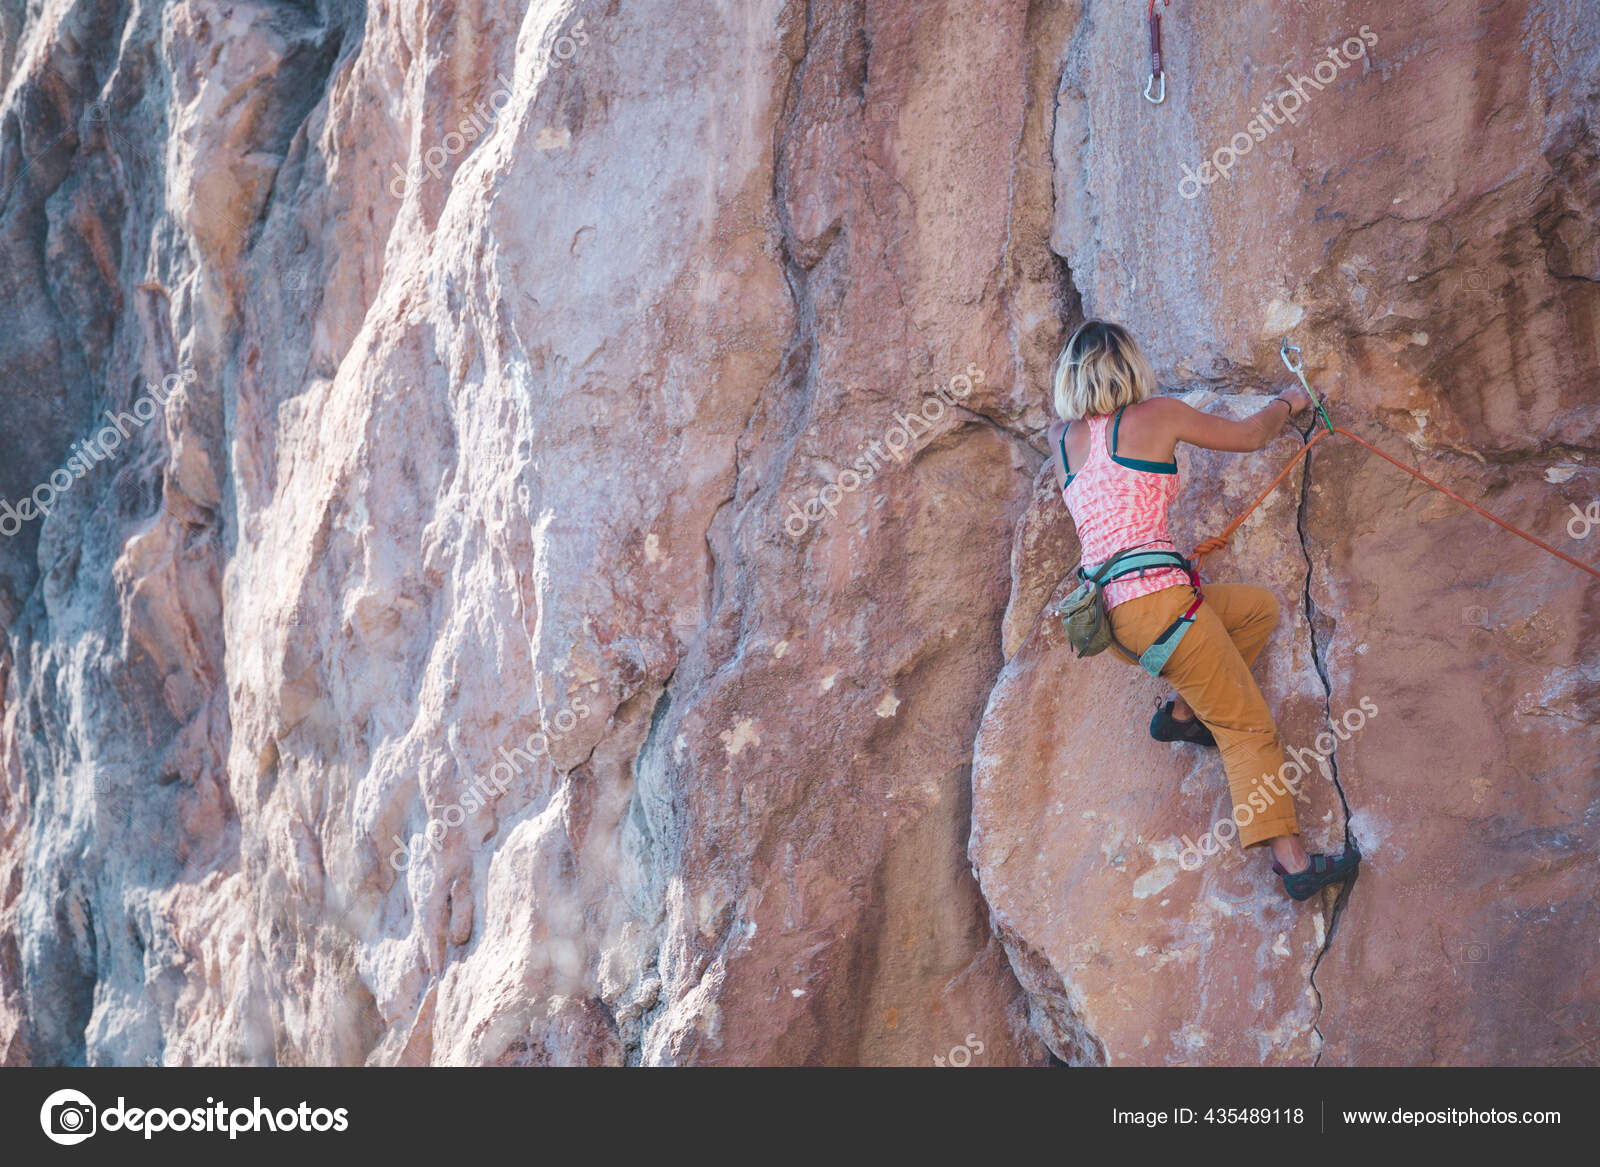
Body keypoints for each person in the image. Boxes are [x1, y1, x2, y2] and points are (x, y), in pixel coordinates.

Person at [1047, 320, 1360, 901]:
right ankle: (1296, 865)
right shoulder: (1156, 415)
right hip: (1161, 606)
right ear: (1130, 368)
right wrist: (1289, 401)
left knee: (1254, 611)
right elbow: (1249, 437)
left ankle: (1184, 716)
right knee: (1246, 728)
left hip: (1113, 618)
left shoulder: (1062, 439)